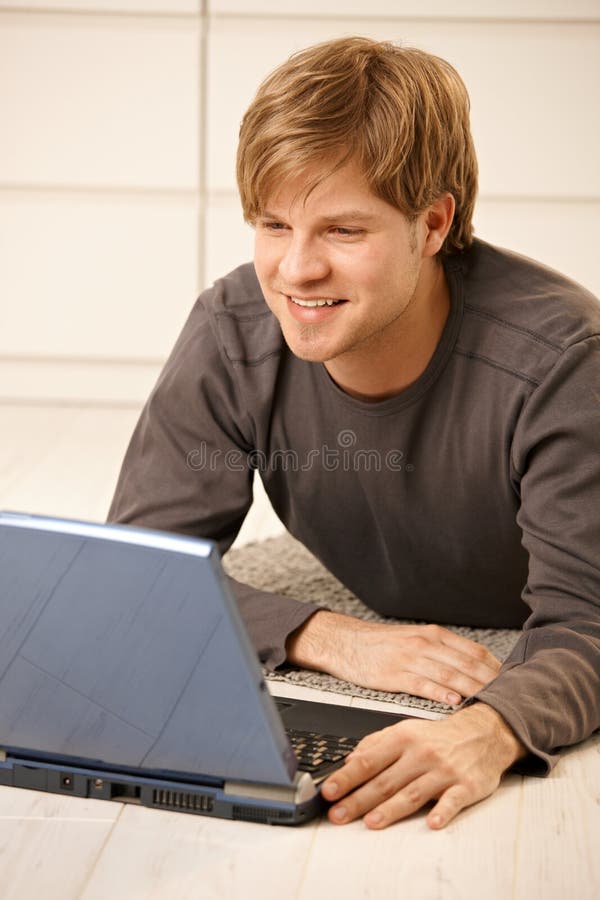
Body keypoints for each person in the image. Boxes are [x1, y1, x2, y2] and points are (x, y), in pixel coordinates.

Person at [108, 36, 600, 830]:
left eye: (342, 231)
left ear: (433, 223)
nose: (295, 270)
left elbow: (589, 621)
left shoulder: (563, 362)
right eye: (272, 224)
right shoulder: (234, 328)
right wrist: (321, 633)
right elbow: (135, 574)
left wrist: (491, 727)